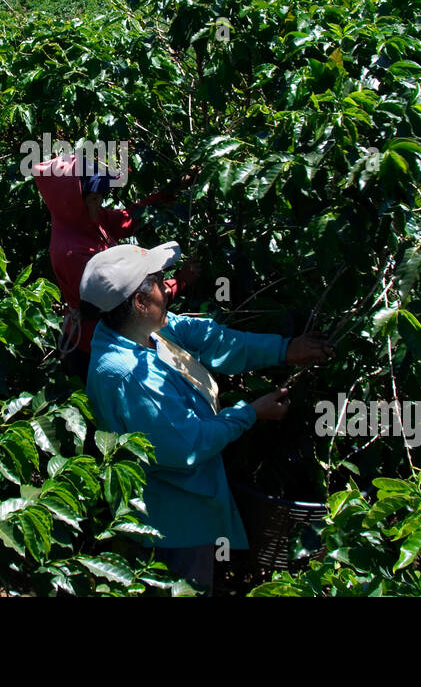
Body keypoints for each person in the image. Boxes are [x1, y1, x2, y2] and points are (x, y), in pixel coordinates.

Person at [78, 241, 334, 593]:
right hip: (176, 522)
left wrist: (285, 349)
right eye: (157, 281)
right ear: (139, 302)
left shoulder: (144, 332)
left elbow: (212, 339)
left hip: (196, 502)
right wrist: (250, 413)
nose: (167, 287)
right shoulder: (127, 374)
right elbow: (188, 445)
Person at [33, 152, 198, 381]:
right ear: (71, 201)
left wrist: (169, 192)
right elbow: (129, 305)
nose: (100, 200)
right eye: (94, 196)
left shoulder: (87, 218)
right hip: (95, 348)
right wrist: (180, 282)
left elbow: (126, 220)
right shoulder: (72, 253)